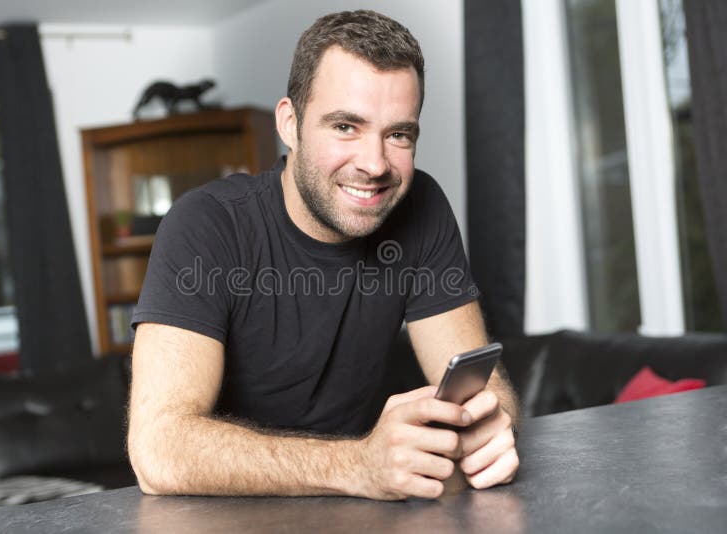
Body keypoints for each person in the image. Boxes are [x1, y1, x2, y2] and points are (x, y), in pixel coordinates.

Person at [127, 9, 519, 501]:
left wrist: (491, 427)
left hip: (359, 508)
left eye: (398, 134)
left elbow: (480, 384)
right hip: (219, 515)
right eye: (346, 126)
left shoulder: (421, 206)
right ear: (290, 124)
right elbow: (158, 450)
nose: (375, 165)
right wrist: (357, 465)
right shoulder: (206, 225)